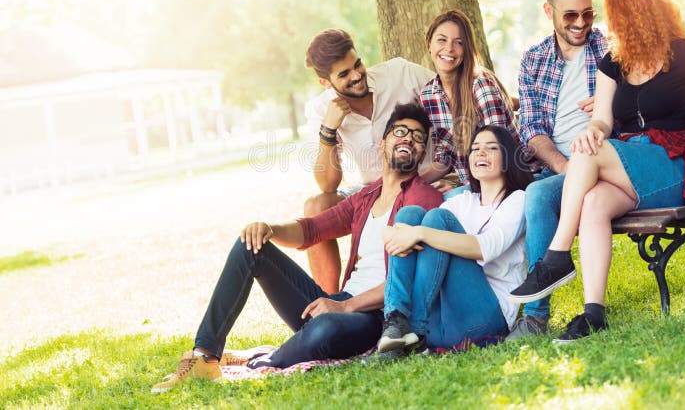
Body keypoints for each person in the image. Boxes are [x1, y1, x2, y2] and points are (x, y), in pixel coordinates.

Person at [508, 0, 685, 342]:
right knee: (594, 198)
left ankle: (557, 256)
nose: (608, 28)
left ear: (640, 18)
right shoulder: (615, 62)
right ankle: (594, 313)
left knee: (589, 154)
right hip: (633, 166)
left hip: (674, 165)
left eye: (615, 19)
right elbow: (603, 118)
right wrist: (594, 128)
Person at [151, 103, 442, 392]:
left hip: (376, 316)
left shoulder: (424, 200)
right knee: (250, 247)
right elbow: (313, 228)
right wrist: (270, 230)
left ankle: (261, 361)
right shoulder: (366, 197)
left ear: (422, 151)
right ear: (383, 143)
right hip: (336, 302)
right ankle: (204, 355)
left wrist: (345, 306)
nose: (408, 139)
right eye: (400, 131)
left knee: (326, 328)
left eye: (417, 137)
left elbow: (413, 280)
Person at [507, 0, 609, 339]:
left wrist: (615, 101)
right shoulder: (533, 59)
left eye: (588, 13)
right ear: (549, 12)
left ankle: (534, 316)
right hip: (558, 167)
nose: (581, 23)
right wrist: (565, 166)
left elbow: (648, 98)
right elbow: (532, 129)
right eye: (570, 15)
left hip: (605, 162)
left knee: (536, 196)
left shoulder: (612, 49)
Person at [377, 125, 533, 356]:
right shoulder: (463, 200)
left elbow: (485, 248)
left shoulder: (518, 199)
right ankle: (396, 319)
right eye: (475, 149)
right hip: (441, 322)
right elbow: (405, 231)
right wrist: (390, 233)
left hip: (484, 318)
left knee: (437, 219)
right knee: (409, 215)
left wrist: (419, 234)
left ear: (507, 158)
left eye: (491, 148)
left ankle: (413, 329)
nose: (480, 153)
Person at [303, 29, 434, 294]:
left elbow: (452, 92)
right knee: (316, 205)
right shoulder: (321, 110)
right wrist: (329, 128)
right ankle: (329, 301)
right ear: (325, 82)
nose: (356, 75)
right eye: (343, 74)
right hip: (372, 191)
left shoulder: (400, 73)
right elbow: (328, 185)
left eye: (357, 64)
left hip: (424, 178)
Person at [418, 9, 521, 193]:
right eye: (442, 40)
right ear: (429, 44)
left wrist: (460, 188)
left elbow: (499, 149)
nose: (449, 48)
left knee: (437, 211)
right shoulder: (428, 95)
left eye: (458, 43)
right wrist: (412, 185)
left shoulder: (481, 84)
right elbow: (445, 156)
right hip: (473, 185)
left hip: (510, 181)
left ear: (467, 50)